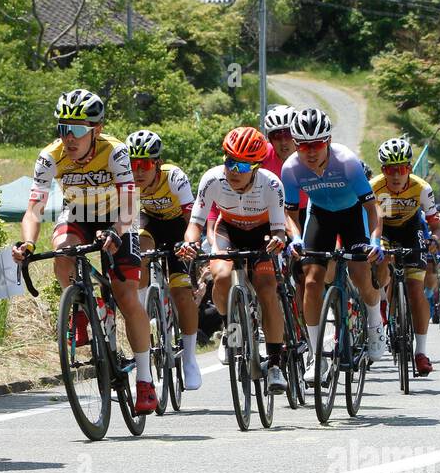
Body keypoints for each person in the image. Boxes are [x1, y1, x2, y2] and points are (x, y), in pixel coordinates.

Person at [12, 89, 156, 412]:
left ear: (97, 130)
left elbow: (130, 204)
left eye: (77, 130)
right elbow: (34, 209)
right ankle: (79, 307)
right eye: (64, 128)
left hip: (116, 216)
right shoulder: (49, 156)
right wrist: (27, 243)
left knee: (126, 295)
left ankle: (145, 380)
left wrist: (118, 232)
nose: (69, 138)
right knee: (62, 250)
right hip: (78, 214)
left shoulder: (116, 152)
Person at [178, 126, 290, 394]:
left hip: (262, 234)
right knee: (222, 275)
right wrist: (189, 242)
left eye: (241, 165)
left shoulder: (272, 184)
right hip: (229, 231)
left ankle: (274, 363)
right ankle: (230, 327)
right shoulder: (212, 179)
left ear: (255, 166)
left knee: (266, 288)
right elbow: (195, 224)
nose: (233, 171)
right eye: (229, 161)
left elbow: (277, 229)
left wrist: (277, 241)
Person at [278, 108, 386, 378]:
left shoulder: (347, 162)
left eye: (316, 145)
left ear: (327, 141)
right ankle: (316, 356)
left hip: (353, 215)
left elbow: (373, 209)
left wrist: (375, 240)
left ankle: (375, 321)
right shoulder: (290, 168)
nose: (310, 152)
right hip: (321, 216)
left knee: (360, 273)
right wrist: (295, 238)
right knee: (312, 279)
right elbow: (290, 214)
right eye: (303, 146)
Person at [127, 129, 202, 390]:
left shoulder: (174, 177)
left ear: (157, 163)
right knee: (140, 249)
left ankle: (190, 358)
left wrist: (191, 244)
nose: (138, 171)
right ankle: (144, 308)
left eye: (144, 164)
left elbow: (191, 216)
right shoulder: (127, 181)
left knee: (181, 291)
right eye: (132, 164)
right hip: (150, 224)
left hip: (177, 227)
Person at [371, 137, 440, 376]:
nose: (397, 175)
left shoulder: (422, 188)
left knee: (415, 289)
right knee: (382, 261)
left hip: (412, 230)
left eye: (402, 169)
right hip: (385, 229)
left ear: (409, 169)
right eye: (391, 169)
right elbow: (373, 222)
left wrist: (434, 239)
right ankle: (383, 301)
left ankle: (420, 353)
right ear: (383, 170)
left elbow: (434, 223)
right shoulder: (374, 187)